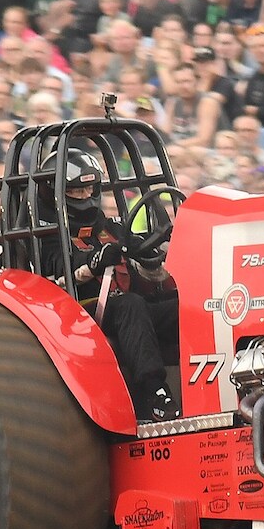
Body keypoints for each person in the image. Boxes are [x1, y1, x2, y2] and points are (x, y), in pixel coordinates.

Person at [43, 148, 180, 423]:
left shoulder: (108, 226)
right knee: (131, 305)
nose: (85, 197)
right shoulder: (48, 235)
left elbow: (134, 248)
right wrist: (94, 259)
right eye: (76, 192)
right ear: (58, 193)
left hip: (126, 306)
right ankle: (154, 391)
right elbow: (62, 265)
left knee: (183, 305)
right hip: (80, 315)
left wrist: (155, 249)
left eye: (90, 189)